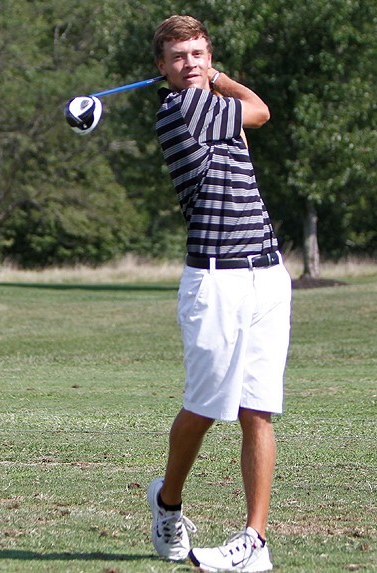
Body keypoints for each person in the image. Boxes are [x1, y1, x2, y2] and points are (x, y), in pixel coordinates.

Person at [146, 14, 292, 573]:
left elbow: (252, 112)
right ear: (161, 68)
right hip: (215, 279)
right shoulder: (182, 107)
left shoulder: (205, 97)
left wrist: (216, 76)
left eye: (199, 54)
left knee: (259, 410)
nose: (190, 65)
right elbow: (260, 110)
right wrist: (220, 80)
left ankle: (255, 540)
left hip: (266, 272)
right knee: (206, 408)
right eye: (179, 57)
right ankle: (168, 502)